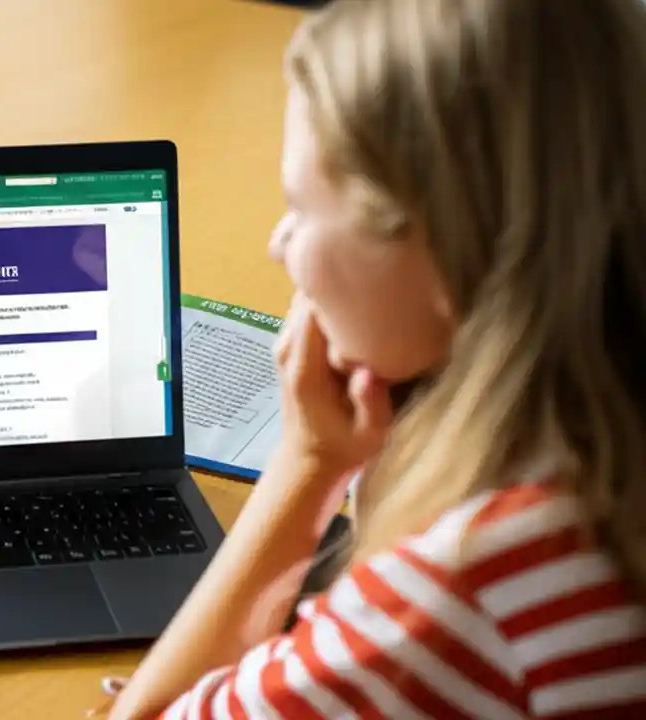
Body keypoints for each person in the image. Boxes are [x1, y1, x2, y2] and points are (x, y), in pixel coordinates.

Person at [108, 0, 646, 717]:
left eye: (300, 206)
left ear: (441, 250)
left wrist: (309, 463)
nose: (278, 243)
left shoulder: (467, 583)